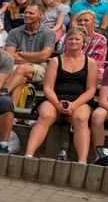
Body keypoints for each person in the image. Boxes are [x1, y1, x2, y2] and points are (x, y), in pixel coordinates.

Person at [24, 27, 98, 161]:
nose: (73, 41)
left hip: (78, 101)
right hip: (54, 99)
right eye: (70, 39)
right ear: (66, 41)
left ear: (84, 43)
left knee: (81, 119)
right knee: (46, 115)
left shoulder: (91, 63)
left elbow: (91, 90)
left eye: (77, 39)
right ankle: (28, 155)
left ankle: (82, 161)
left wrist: (75, 105)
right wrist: (56, 103)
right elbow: (48, 87)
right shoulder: (55, 61)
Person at [4, 4, 56, 101]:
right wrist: (35, 58)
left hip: (39, 67)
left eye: (31, 13)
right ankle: (13, 112)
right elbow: (10, 55)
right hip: (17, 66)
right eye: (26, 13)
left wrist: (21, 52)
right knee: (21, 79)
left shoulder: (49, 33)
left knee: (21, 69)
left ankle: (1, 95)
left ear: (40, 16)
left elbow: (44, 56)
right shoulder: (14, 32)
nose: (27, 15)